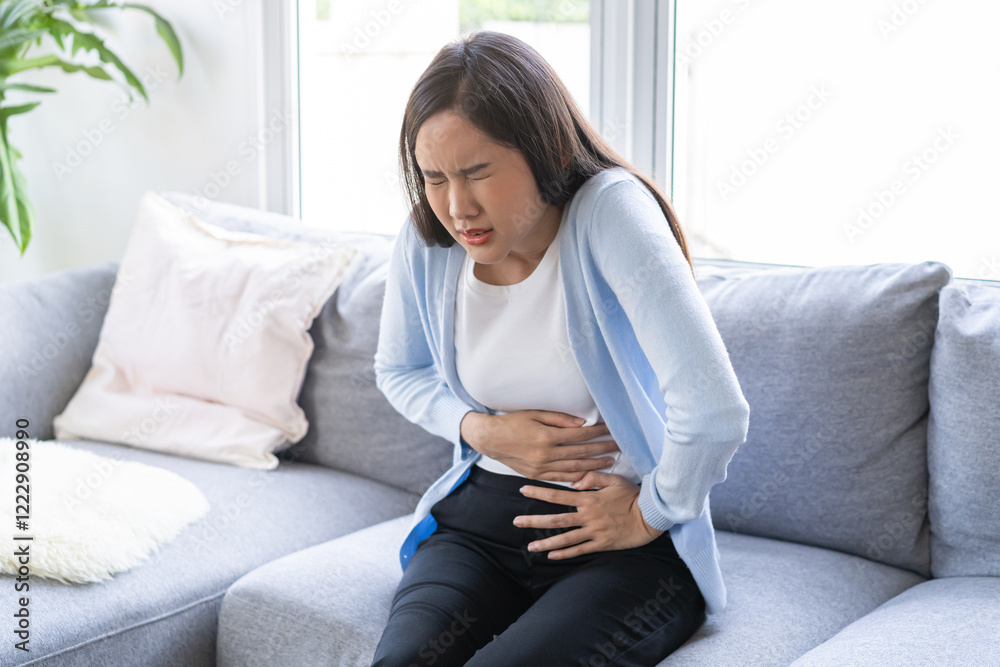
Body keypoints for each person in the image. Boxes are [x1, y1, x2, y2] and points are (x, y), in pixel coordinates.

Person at [371, 30, 749, 666]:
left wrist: (652, 513)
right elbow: (398, 370)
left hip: (618, 542)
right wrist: (477, 430)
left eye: (477, 173)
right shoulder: (430, 240)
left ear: (542, 150)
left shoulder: (609, 213)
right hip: (479, 526)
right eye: (434, 177)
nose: (457, 206)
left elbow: (715, 409)